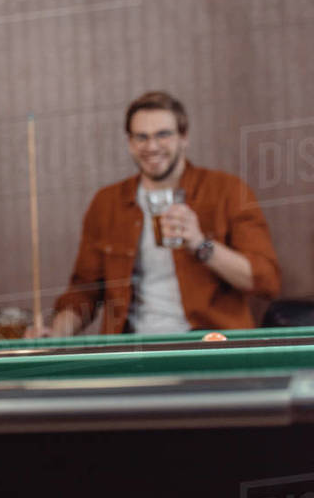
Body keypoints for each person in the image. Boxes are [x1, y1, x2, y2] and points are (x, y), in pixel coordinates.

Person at [44, 91, 281, 336]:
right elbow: (84, 292)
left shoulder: (228, 191)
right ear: (130, 143)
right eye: (141, 137)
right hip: (134, 347)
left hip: (208, 344)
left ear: (184, 137)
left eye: (163, 135)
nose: (152, 146)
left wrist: (200, 244)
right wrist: (56, 334)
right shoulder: (106, 203)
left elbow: (266, 282)